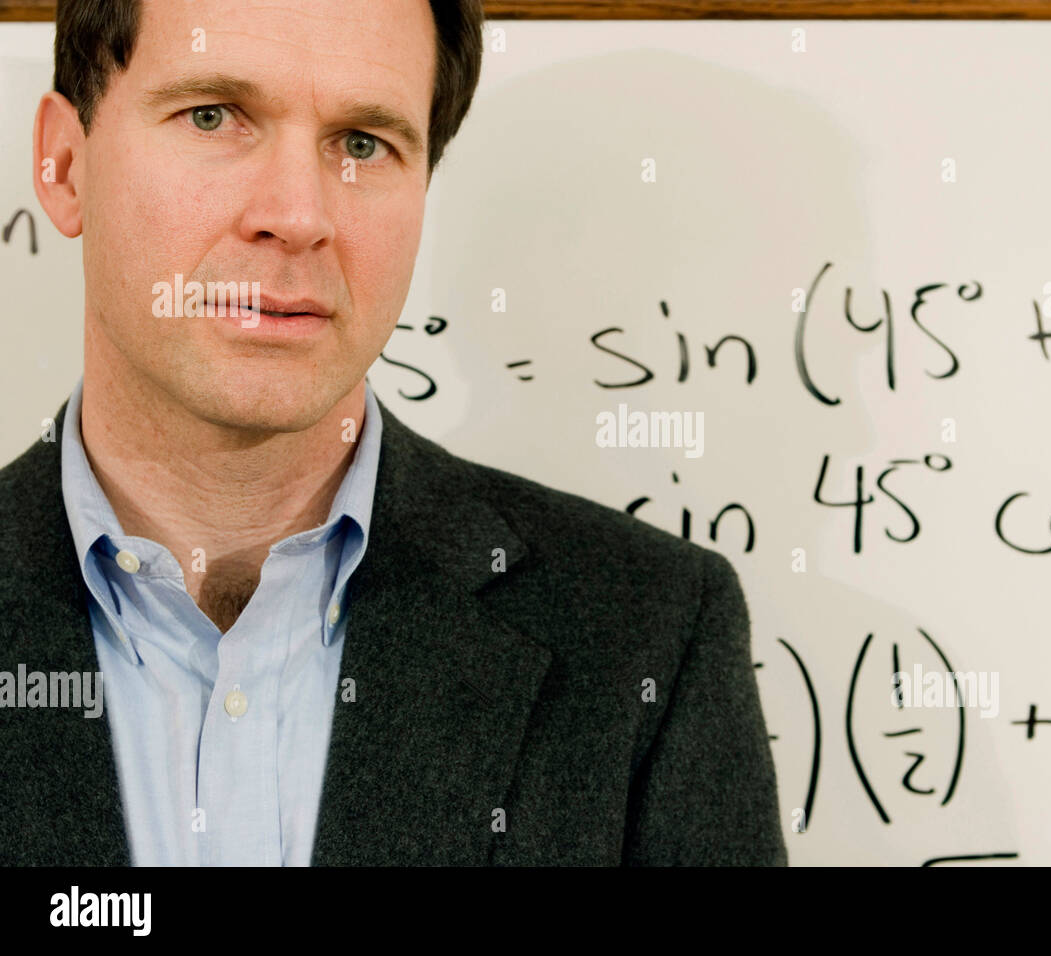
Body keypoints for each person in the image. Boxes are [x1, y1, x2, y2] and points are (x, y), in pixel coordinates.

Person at [0, 0, 786, 866]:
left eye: (363, 143)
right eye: (214, 115)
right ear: (64, 165)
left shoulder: (653, 633)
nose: (297, 215)